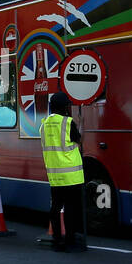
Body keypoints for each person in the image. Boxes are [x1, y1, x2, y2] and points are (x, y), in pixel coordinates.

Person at [40, 92, 86, 252]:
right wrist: (81, 124)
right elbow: (79, 140)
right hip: (71, 174)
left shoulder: (44, 124)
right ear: (65, 107)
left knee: (56, 207)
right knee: (71, 208)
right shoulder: (68, 123)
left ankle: (57, 239)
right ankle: (70, 239)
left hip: (54, 174)